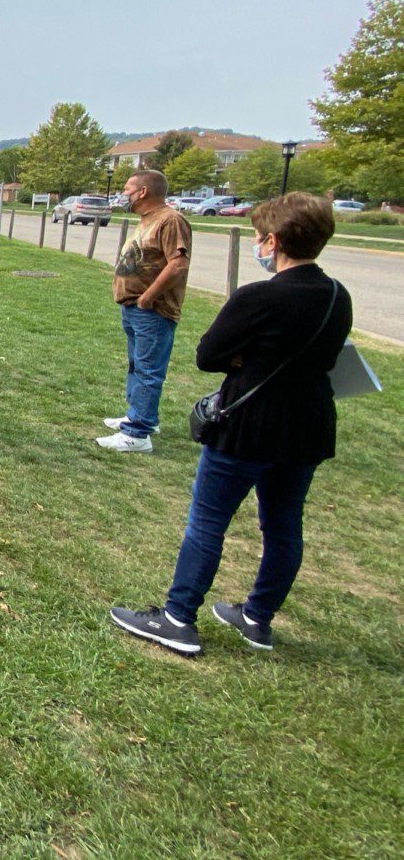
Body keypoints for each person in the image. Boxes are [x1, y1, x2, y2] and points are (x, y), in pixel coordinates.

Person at [109, 193, 353, 656]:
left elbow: (209, 354)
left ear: (274, 241)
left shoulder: (259, 296)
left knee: (208, 522)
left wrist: (247, 357)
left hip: (250, 425)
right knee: (284, 526)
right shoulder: (337, 295)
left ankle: (178, 618)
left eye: (261, 237)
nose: (260, 244)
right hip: (308, 426)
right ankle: (258, 617)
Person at [98, 169, 191, 452]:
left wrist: (148, 297)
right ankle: (138, 415)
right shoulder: (148, 219)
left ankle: (137, 434)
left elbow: (178, 264)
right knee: (137, 365)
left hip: (153, 310)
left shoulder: (171, 220)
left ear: (143, 192)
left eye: (127, 189)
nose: (123, 194)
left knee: (149, 369)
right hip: (133, 308)